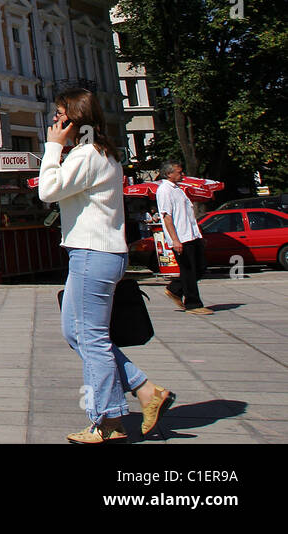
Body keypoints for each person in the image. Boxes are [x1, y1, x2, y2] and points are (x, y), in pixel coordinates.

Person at [38, 88, 172, 443]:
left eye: (59, 115)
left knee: (92, 339)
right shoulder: (100, 153)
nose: (54, 121)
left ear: (74, 119)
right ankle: (145, 390)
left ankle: (108, 420)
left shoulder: (86, 155)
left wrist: (52, 146)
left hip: (92, 254)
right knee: (76, 333)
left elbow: (48, 190)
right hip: (96, 254)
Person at [157, 161, 212, 315]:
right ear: (169, 174)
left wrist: (198, 234)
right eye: (179, 172)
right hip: (181, 237)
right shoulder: (164, 190)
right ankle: (193, 304)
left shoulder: (179, 189)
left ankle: (175, 289)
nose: (182, 174)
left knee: (200, 267)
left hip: (191, 235)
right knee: (188, 270)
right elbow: (167, 216)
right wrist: (175, 240)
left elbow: (188, 215)